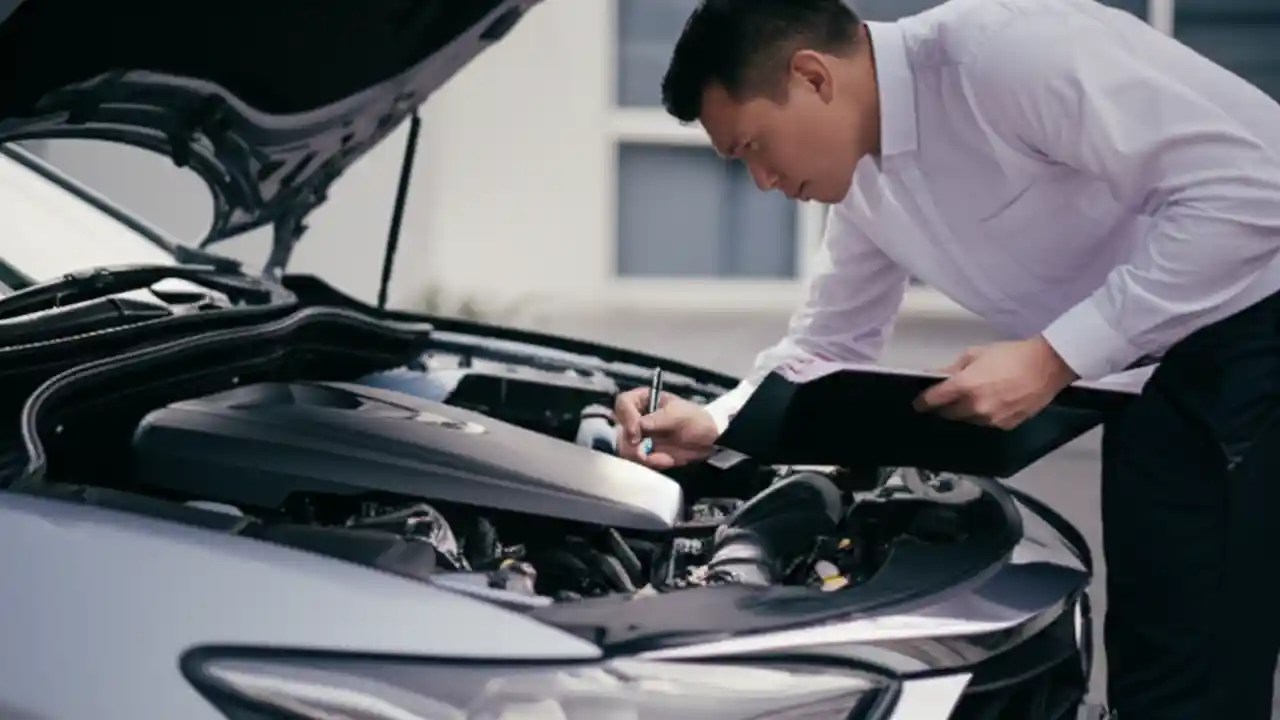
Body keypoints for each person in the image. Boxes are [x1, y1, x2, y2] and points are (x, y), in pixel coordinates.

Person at [611, 0, 1280, 717]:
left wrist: (1055, 356)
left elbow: (1255, 190)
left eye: (752, 148)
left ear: (812, 78)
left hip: (1253, 338)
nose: (763, 183)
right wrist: (718, 422)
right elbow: (828, 344)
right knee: (1161, 680)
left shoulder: (1008, 55)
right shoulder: (864, 181)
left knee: (1190, 693)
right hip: (1152, 377)